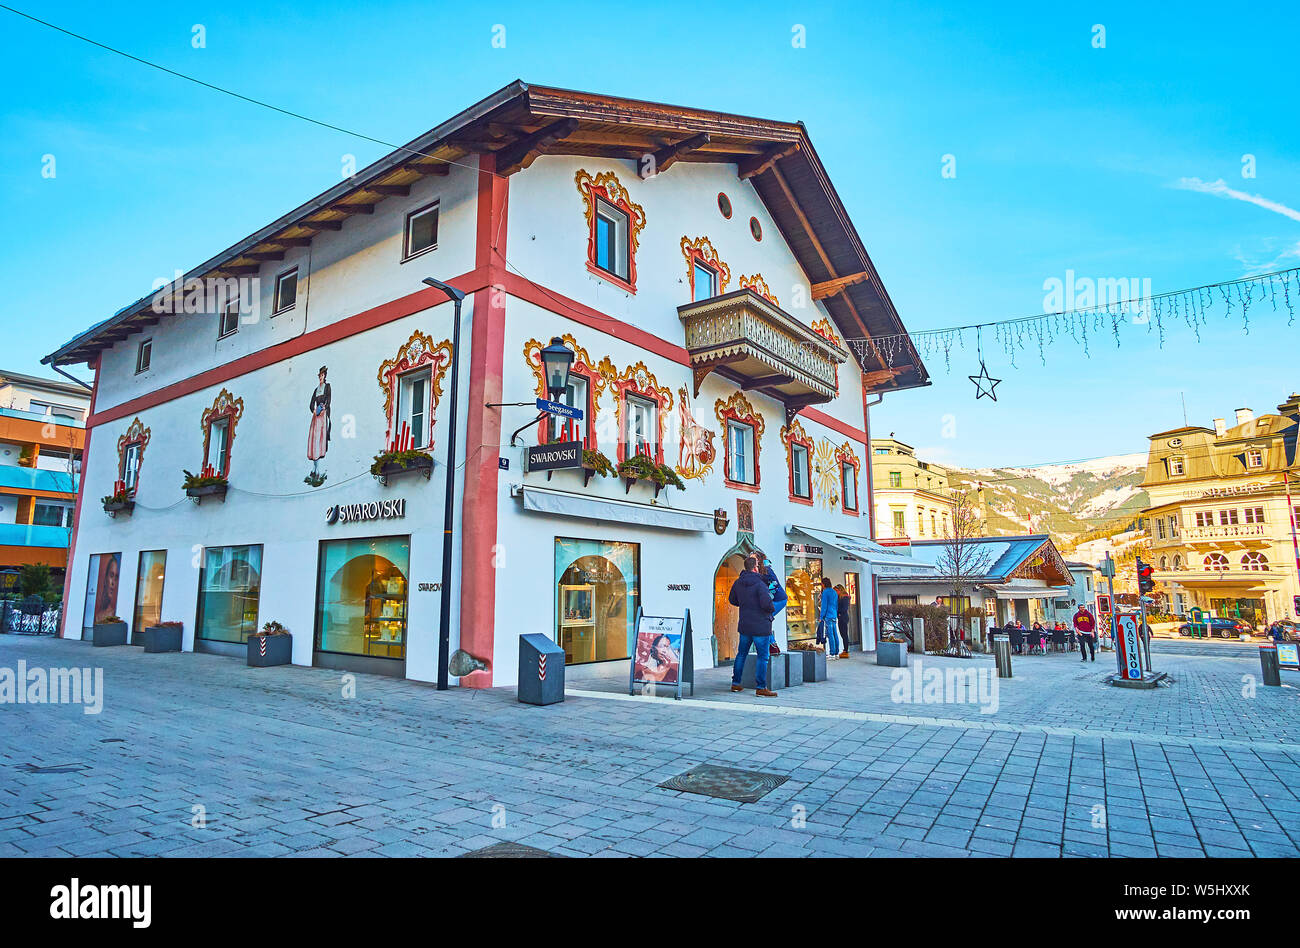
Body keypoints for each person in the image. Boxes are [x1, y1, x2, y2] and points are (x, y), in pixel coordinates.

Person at [729, 556, 777, 697]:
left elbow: (732, 599)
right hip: (761, 625)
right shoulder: (760, 584)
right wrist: (771, 608)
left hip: (745, 624)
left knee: (741, 654)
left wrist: (745, 605)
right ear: (755, 567)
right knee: (763, 656)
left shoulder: (738, 583)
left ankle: (736, 684)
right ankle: (761, 687)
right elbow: (767, 604)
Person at [817, 577, 841, 657]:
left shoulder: (825, 592)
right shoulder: (834, 592)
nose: (821, 585)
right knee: (835, 634)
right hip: (834, 615)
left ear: (824, 584)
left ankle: (832, 653)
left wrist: (821, 617)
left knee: (830, 635)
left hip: (828, 616)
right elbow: (836, 605)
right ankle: (837, 652)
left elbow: (824, 606)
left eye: (822, 584)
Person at [835, 584, 851, 659]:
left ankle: (846, 651)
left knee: (844, 634)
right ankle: (845, 650)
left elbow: (844, 608)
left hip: (843, 617)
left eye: (836, 591)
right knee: (843, 634)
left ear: (840, 590)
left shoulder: (845, 598)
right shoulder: (841, 597)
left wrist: (838, 612)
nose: (836, 592)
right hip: (841, 617)